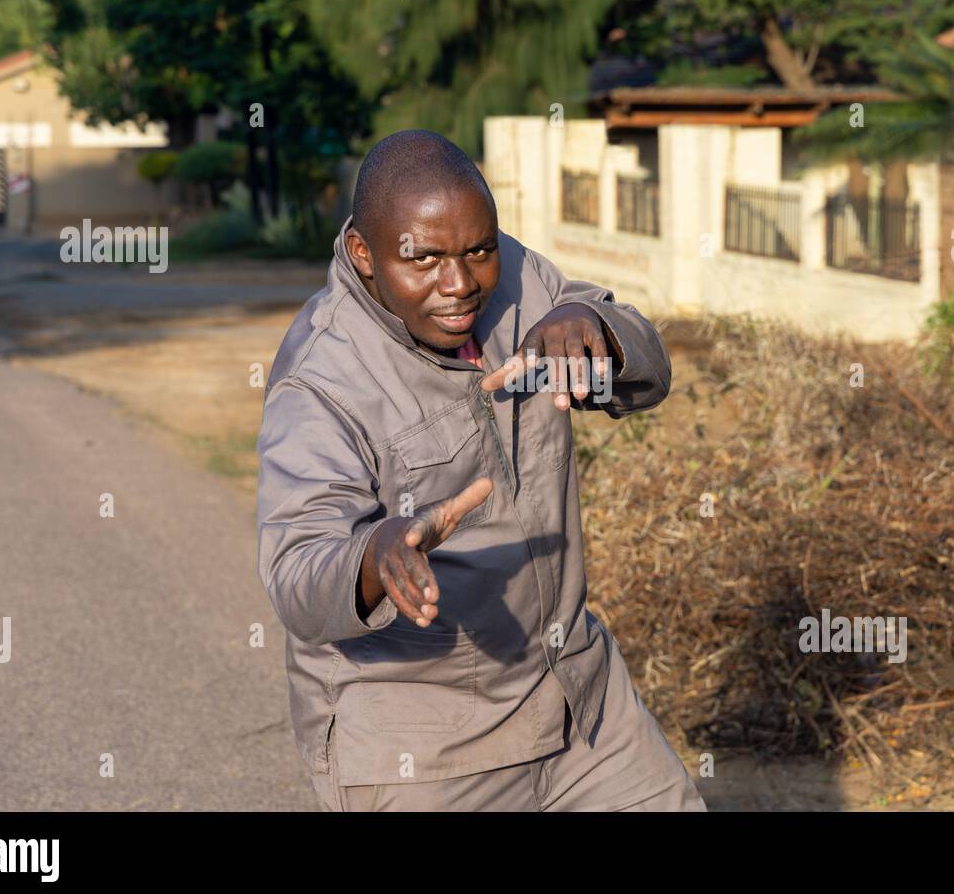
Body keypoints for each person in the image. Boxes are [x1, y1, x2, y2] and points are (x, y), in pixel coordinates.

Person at [255, 129, 706, 811]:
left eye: (478, 250)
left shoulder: (520, 278)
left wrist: (594, 324)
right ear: (364, 255)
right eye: (425, 258)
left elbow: (650, 364)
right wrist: (373, 556)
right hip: (426, 748)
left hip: (578, 703)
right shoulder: (322, 382)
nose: (460, 283)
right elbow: (296, 575)